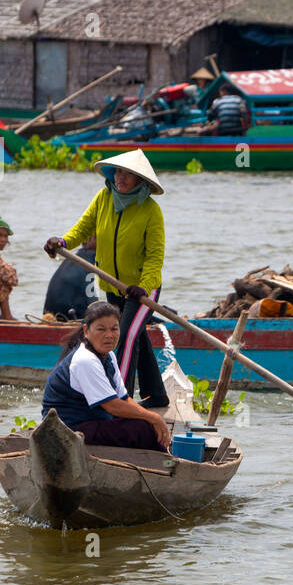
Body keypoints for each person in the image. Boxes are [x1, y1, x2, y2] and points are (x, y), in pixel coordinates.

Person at [44, 149, 168, 410]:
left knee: (124, 338)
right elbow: (82, 229)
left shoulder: (150, 211)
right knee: (138, 337)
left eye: (128, 174)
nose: (121, 178)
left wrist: (143, 287)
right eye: (119, 172)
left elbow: (155, 258)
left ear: (140, 180)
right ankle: (157, 395)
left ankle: (118, 400)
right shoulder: (103, 198)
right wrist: (62, 242)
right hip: (113, 285)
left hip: (143, 289)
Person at [41, 301, 172, 452]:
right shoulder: (85, 359)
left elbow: (123, 398)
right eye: (101, 329)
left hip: (89, 420)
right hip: (66, 429)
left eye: (114, 329)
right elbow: (112, 406)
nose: (109, 335)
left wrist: (150, 418)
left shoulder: (108, 355)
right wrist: (154, 418)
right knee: (141, 430)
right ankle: (165, 466)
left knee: (143, 422)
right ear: (86, 330)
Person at [43, 236, 98, 321]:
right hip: (70, 318)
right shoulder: (90, 262)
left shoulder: (74, 258)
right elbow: (93, 303)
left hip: (51, 316)